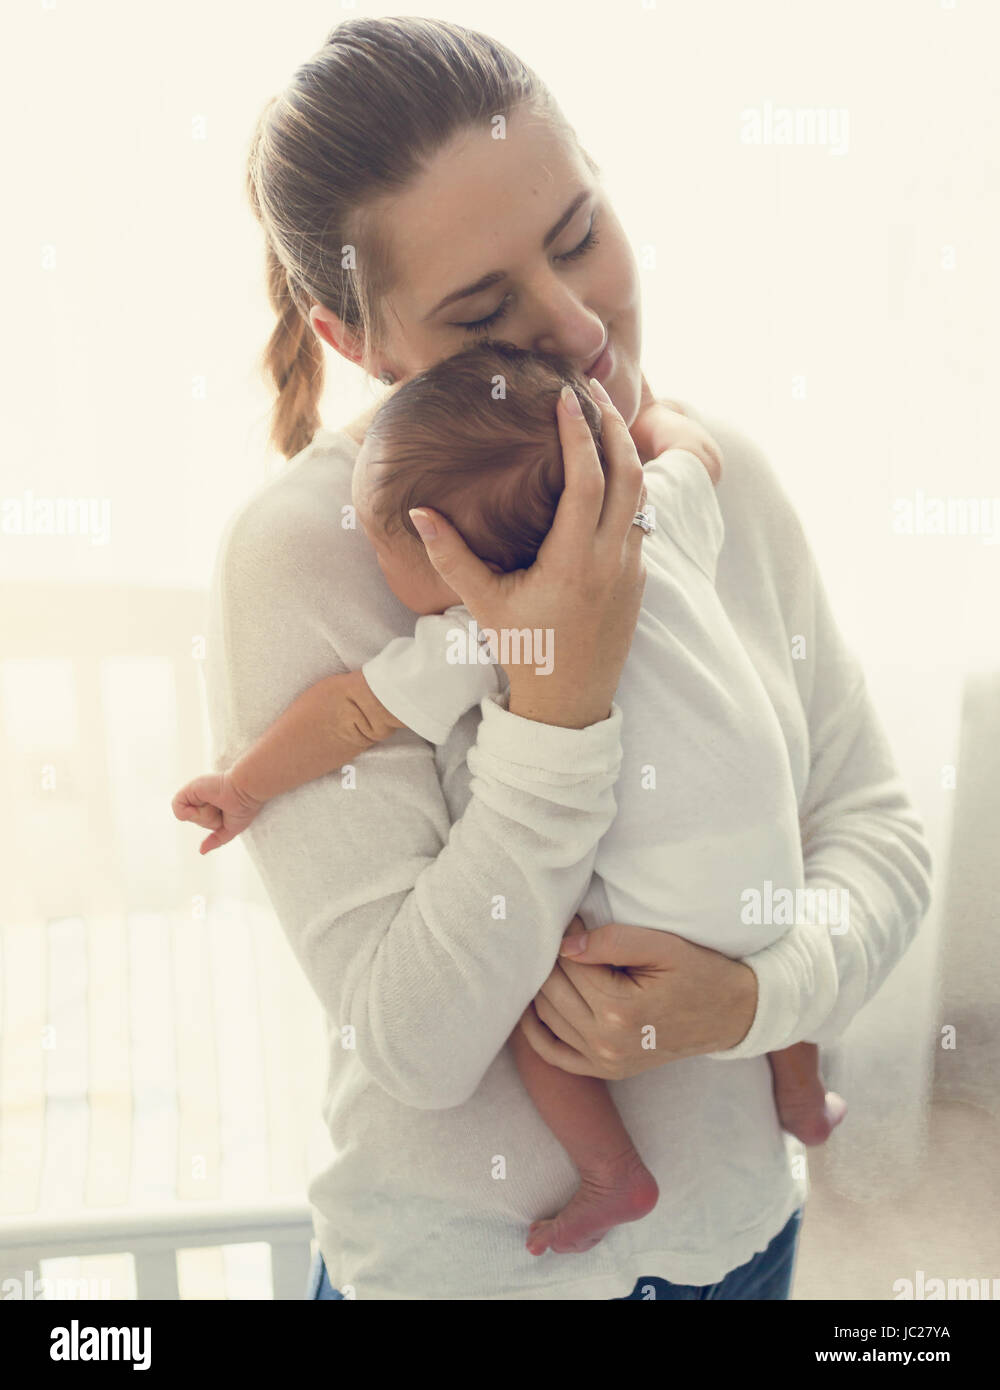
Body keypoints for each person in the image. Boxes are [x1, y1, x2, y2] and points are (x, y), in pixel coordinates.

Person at [203, 17, 932, 1300]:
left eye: (579, 236)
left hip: (742, 1244)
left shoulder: (715, 477)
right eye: (482, 313)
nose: (577, 329)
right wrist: (556, 709)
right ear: (354, 342)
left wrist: (751, 1005)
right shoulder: (304, 563)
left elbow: (871, 829)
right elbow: (415, 1048)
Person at [177, 341, 848, 1260]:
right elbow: (698, 450)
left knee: (524, 994)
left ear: (452, 560)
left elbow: (351, 715)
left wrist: (244, 784)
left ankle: (614, 1171)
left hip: (647, 938)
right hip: (773, 890)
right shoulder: (665, 518)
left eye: (387, 547)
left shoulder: (491, 629)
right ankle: (802, 1092)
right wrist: (643, 419)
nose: (377, 571)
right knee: (772, 947)